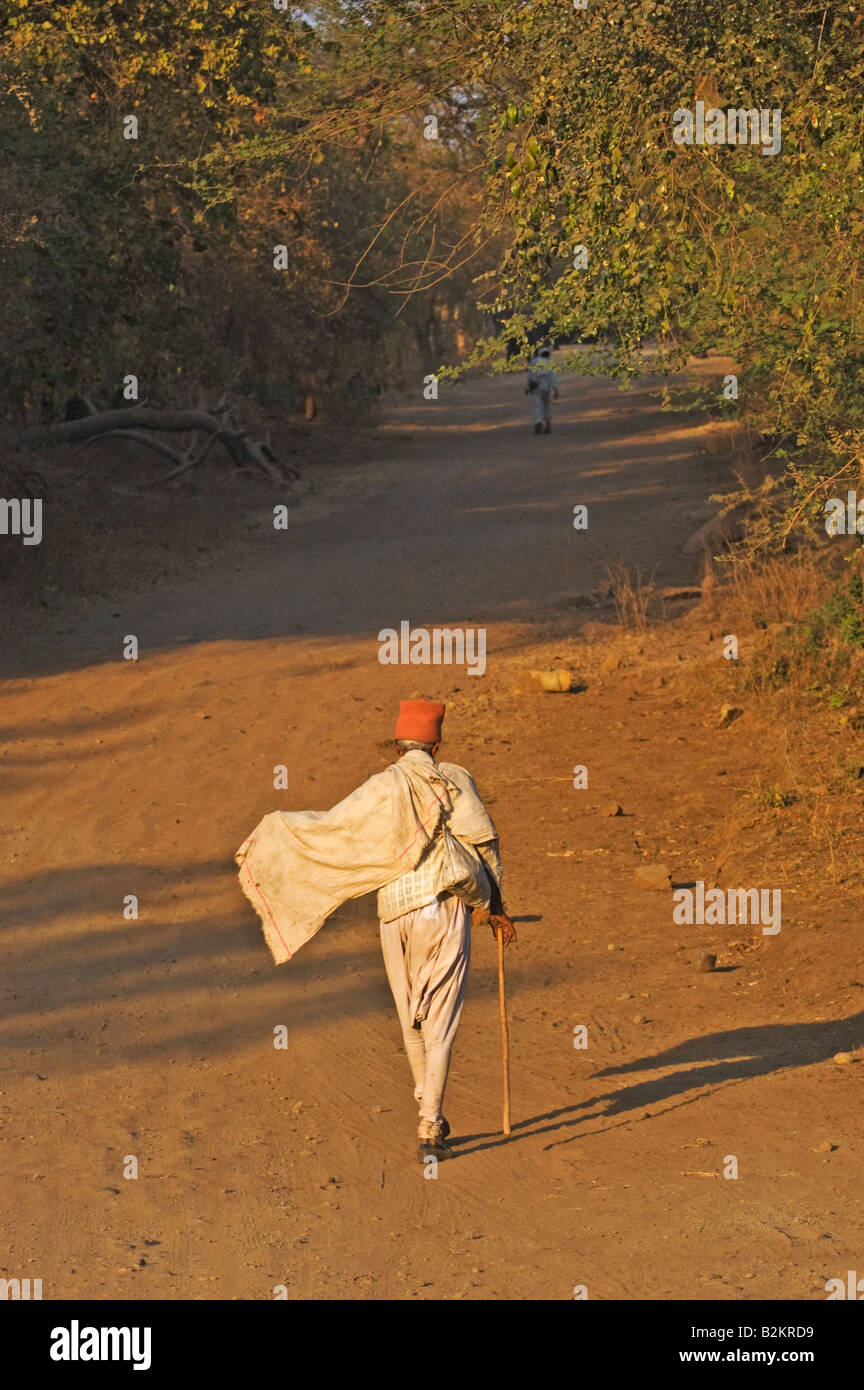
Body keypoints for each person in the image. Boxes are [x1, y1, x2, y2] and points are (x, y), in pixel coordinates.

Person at [235, 699, 515, 1163]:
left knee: (410, 1019)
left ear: (398, 744)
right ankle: (430, 1125)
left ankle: (429, 1111)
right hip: (442, 907)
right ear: (437, 743)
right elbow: (484, 842)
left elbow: (334, 828)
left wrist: (283, 829)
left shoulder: (381, 788)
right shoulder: (452, 780)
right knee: (440, 1022)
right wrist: (496, 905)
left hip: (394, 911)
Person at [526, 345, 559, 434]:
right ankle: (548, 425)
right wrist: (555, 389)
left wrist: (527, 387)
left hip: (536, 387)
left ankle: (538, 421)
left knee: (537, 405)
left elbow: (529, 375)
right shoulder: (550, 362)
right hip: (546, 388)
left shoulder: (534, 362)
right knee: (546, 405)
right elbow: (553, 376)